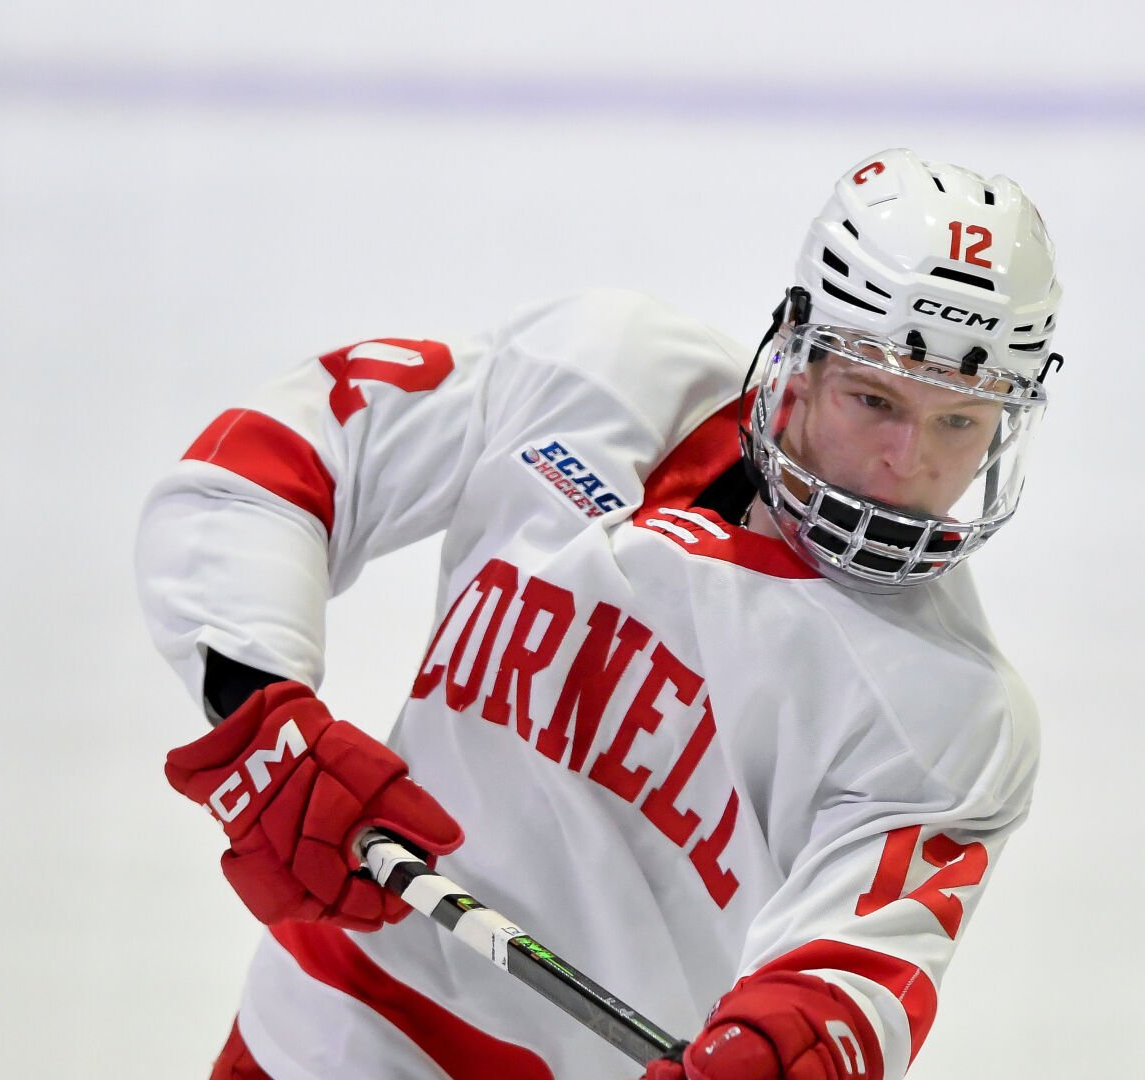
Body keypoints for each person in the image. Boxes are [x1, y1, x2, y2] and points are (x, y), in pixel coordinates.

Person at [138, 148, 1067, 1080]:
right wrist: (262, 710)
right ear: (799, 359)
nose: (909, 460)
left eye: (962, 422)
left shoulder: (952, 711)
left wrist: (788, 1051)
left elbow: (856, 976)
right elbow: (272, 468)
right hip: (328, 1027)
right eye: (876, 399)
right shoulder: (602, 375)